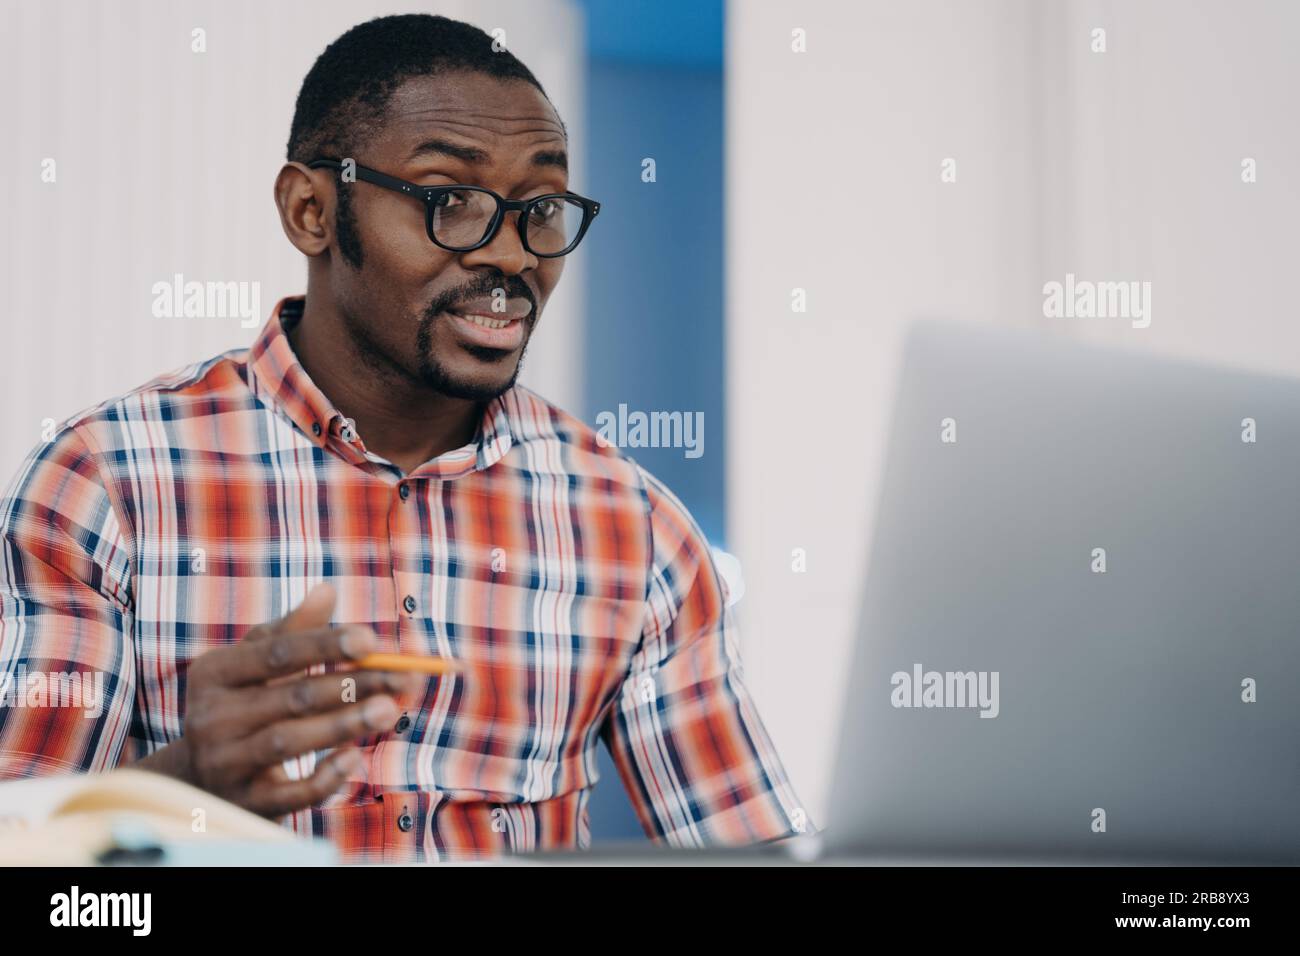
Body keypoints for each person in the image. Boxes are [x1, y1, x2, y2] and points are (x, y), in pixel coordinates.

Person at [0, 13, 809, 862]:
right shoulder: (105, 483)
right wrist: (188, 784)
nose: (511, 254)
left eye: (540, 209)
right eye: (450, 200)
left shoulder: (635, 527)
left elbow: (751, 851)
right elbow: (30, 860)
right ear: (312, 210)